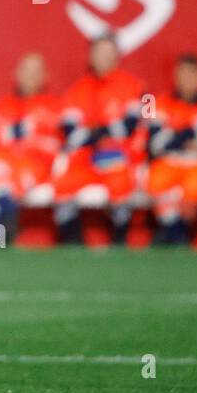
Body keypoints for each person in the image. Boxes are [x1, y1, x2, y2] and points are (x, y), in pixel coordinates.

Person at [51, 35, 144, 246]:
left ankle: (119, 242)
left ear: (117, 56)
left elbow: (131, 127)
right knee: (62, 184)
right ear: (91, 57)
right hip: (85, 158)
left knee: (120, 183)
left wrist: (92, 132)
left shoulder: (133, 87)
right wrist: (108, 130)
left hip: (118, 157)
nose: (104, 58)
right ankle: (73, 245)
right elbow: (70, 133)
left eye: (109, 53)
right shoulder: (77, 90)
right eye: (99, 53)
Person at [0, 52, 61, 245]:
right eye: (26, 71)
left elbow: (51, 145)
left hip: (36, 167)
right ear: (16, 74)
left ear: (45, 76)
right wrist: (25, 131)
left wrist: (14, 134)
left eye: (36, 71)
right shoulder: (4, 105)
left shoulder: (53, 107)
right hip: (6, 165)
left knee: (5, 184)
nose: (30, 76)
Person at [145, 54, 197, 246]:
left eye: (191, 74)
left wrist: (172, 134)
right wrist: (188, 133)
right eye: (181, 74)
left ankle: (176, 234)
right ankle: (176, 233)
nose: (185, 79)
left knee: (194, 189)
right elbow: (155, 143)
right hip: (169, 161)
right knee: (155, 181)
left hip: (196, 163)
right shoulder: (156, 102)